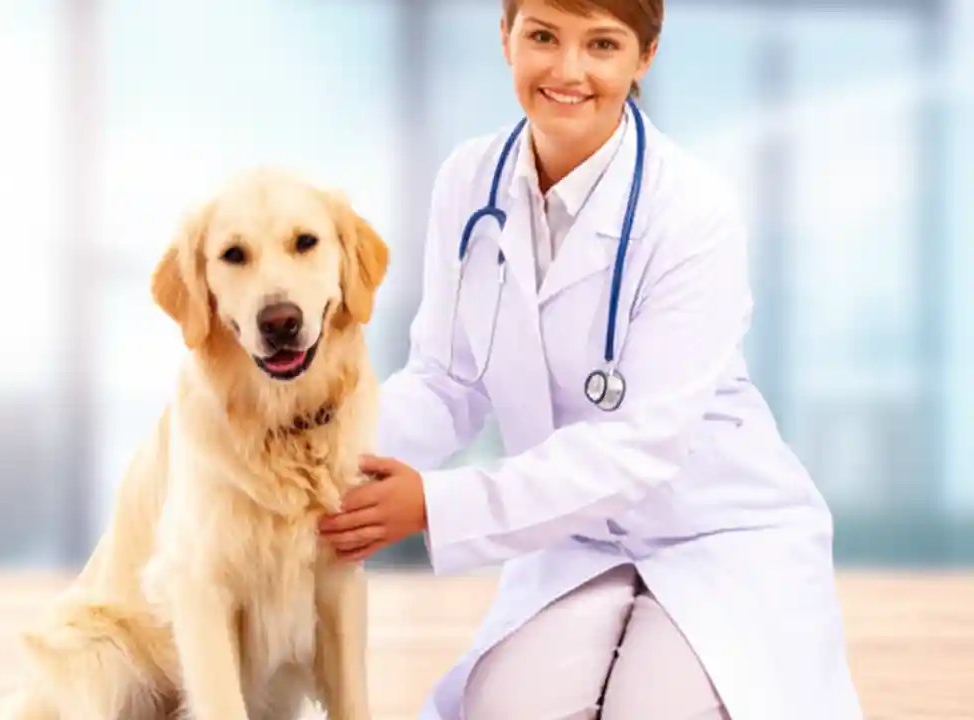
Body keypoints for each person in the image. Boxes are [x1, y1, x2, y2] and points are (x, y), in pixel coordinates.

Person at [317, 1, 864, 718]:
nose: (568, 71)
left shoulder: (692, 211)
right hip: (571, 538)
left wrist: (434, 504)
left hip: (717, 532)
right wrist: (322, 450)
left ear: (645, 56)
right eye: (543, 36)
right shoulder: (469, 181)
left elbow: (638, 448)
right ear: (505, 36)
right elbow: (446, 382)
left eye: (601, 45)